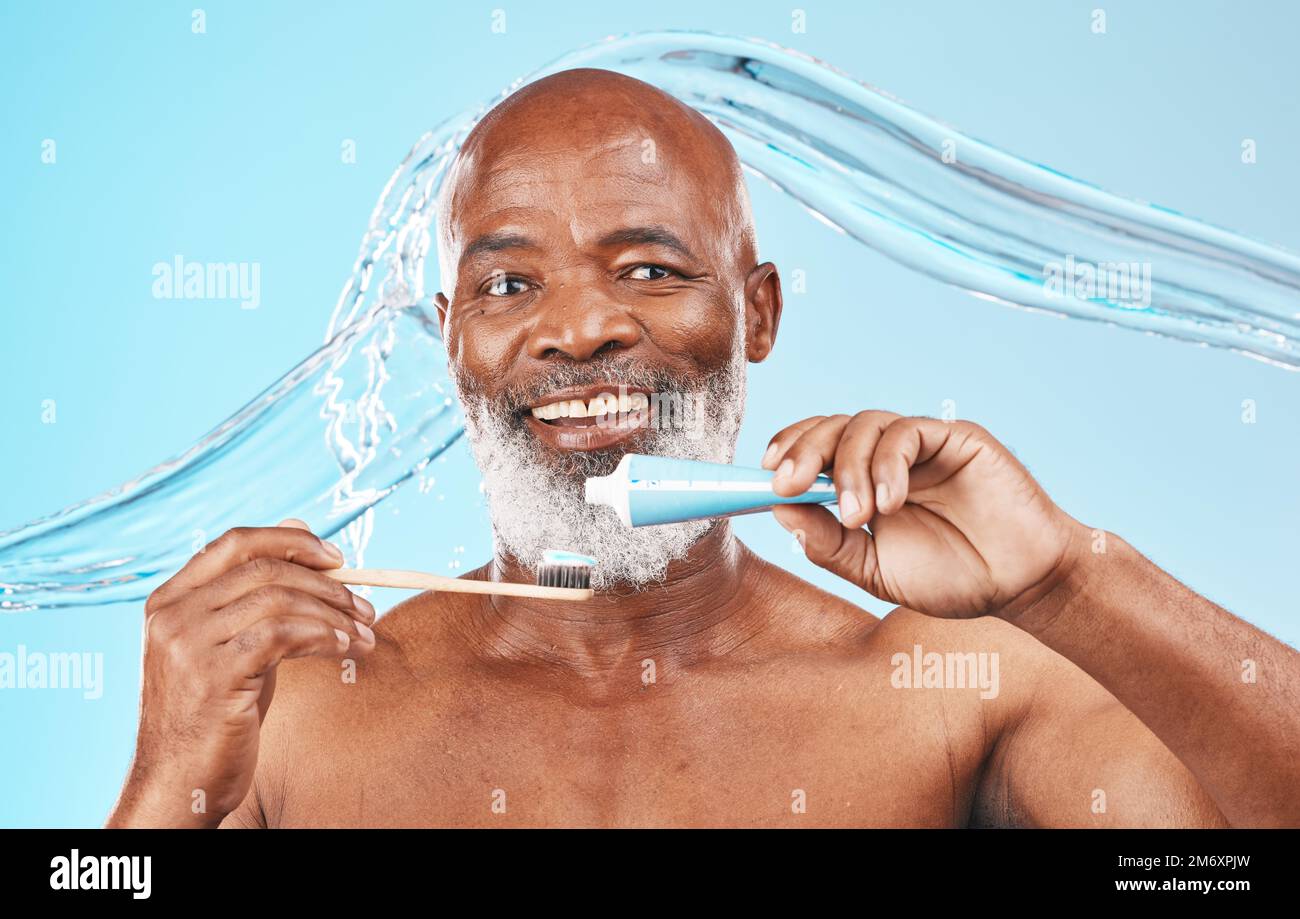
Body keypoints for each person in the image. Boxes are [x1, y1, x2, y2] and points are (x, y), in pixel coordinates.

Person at [106, 69, 1300, 828]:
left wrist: (1069, 580)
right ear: (452, 340)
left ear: (758, 311)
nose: (579, 328)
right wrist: (155, 799)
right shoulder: (297, 715)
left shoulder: (943, 693)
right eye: (510, 281)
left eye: (650, 269)